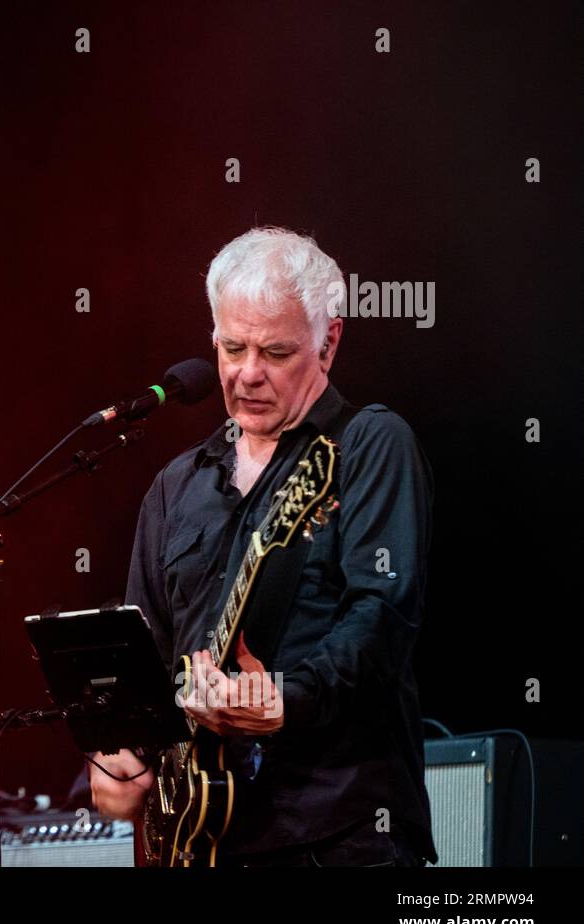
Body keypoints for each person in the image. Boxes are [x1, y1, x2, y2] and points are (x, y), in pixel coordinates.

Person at [89, 227, 437, 866]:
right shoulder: (176, 486)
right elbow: (145, 652)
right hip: (200, 841)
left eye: (275, 352)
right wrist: (120, 754)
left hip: (337, 832)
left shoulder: (369, 447)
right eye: (232, 347)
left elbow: (383, 617)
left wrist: (288, 699)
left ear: (328, 343)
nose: (247, 374)